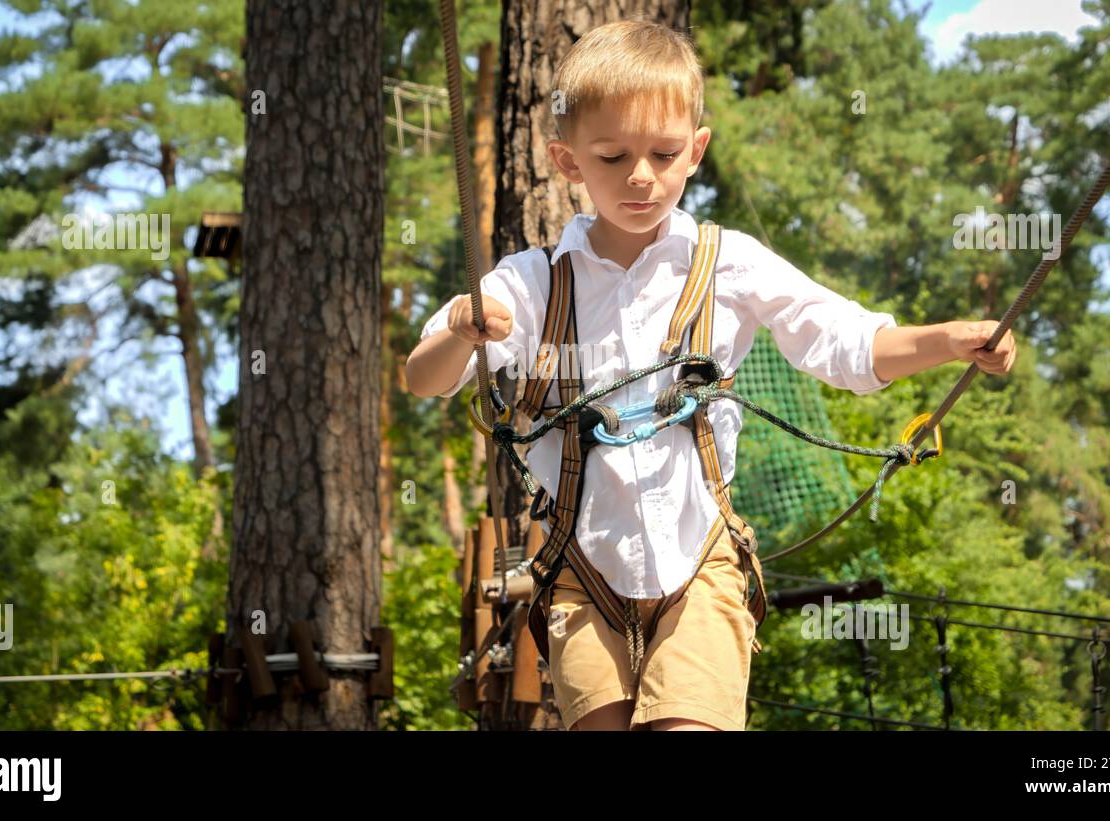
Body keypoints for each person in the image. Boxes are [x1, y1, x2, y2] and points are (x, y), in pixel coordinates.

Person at [405, 19, 1016, 731]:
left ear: (696, 150)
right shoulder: (534, 283)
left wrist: (946, 340)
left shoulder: (729, 263)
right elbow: (426, 378)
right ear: (567, 162)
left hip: (701, 563)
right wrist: (459, 330)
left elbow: (844, 342)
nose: (641, 175)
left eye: (664, 153)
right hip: (580, 570)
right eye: (612, 156)